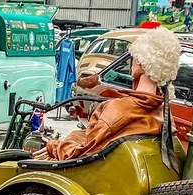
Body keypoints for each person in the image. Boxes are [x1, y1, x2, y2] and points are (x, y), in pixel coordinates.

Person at [32, 27, 183, 164]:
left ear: (142, 63)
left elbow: (84, 153)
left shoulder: (119, 109)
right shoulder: (164, 112)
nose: (132, 62)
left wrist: (54, 147)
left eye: (135, 57)